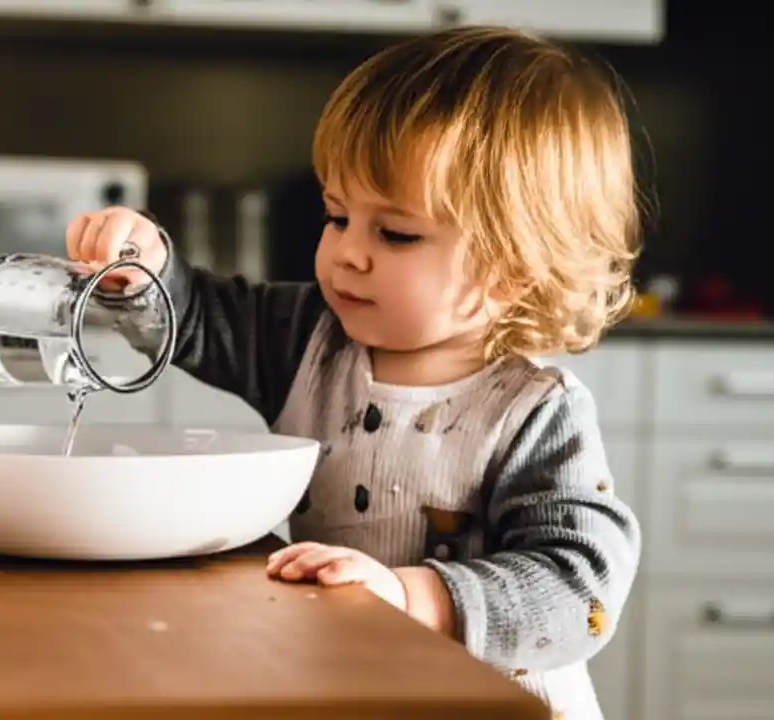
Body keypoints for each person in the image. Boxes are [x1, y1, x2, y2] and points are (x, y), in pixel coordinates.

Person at [65, 25, 643, 720]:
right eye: (337, 216)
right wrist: (146, 270)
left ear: (511, 272)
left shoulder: (532, 413)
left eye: (394, 233)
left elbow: (580, 585)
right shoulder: (307, 340)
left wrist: (412, 595)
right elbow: (196, 318)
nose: (347, 253)